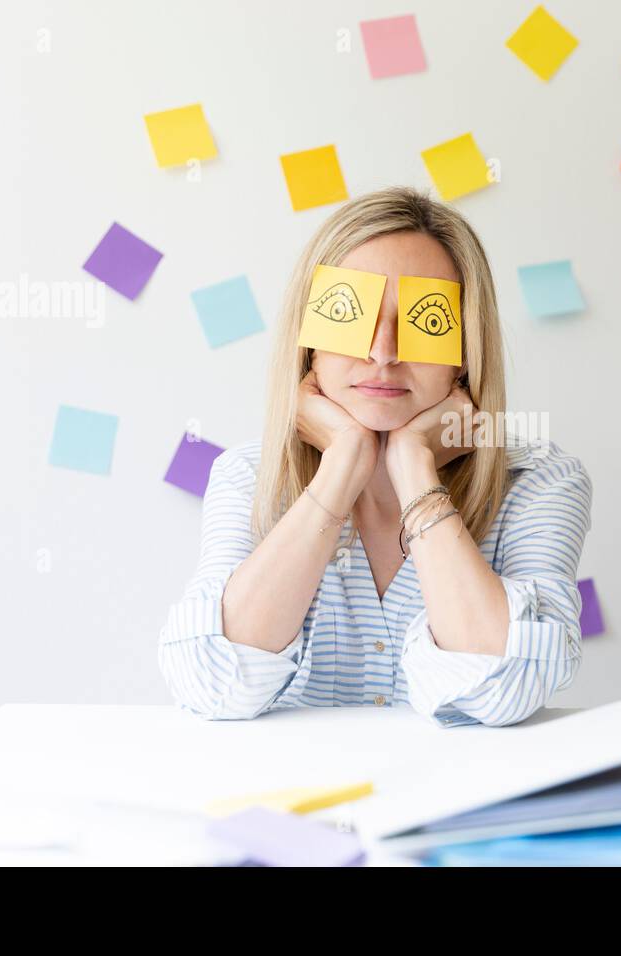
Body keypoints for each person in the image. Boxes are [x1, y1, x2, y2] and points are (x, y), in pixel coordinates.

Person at [158, 186, 593, 727]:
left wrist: (414, 469)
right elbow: (210, 686)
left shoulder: (539, 483)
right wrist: (343, 465)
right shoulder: (249, 478)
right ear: (309, 343)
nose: (383, 353)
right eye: (349, 315)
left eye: (424, 322)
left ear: (463, 355)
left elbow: (506, 693)